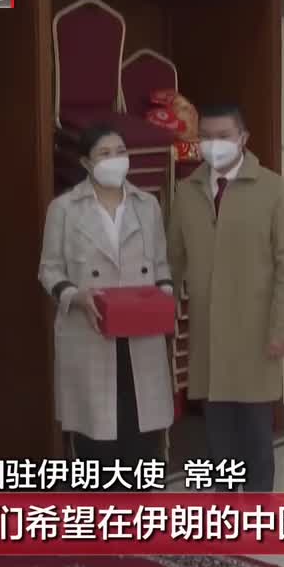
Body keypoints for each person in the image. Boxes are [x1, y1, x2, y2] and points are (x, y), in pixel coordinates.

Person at [167, 104, 284, 493]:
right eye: (206, 136)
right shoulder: (186, 192)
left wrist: (282, 328)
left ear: (243, 138)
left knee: (256, 438)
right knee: (218, 440)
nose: (214, 144)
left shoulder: (273, 189)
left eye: (223, 135)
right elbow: (172, 260)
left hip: (256, 334)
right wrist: (163, 313)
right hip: (208, 336)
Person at [38, 125, 176, 472]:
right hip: (90, 333)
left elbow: (161, 265)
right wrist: (75, 296)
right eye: (105, 153)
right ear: (86, 162)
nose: (116, 159)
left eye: (121, 151)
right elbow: (49, 270)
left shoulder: (147, 205)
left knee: (142, 438)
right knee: (96, 442)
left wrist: (164, 297)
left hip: (142, 335)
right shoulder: (64, 208)